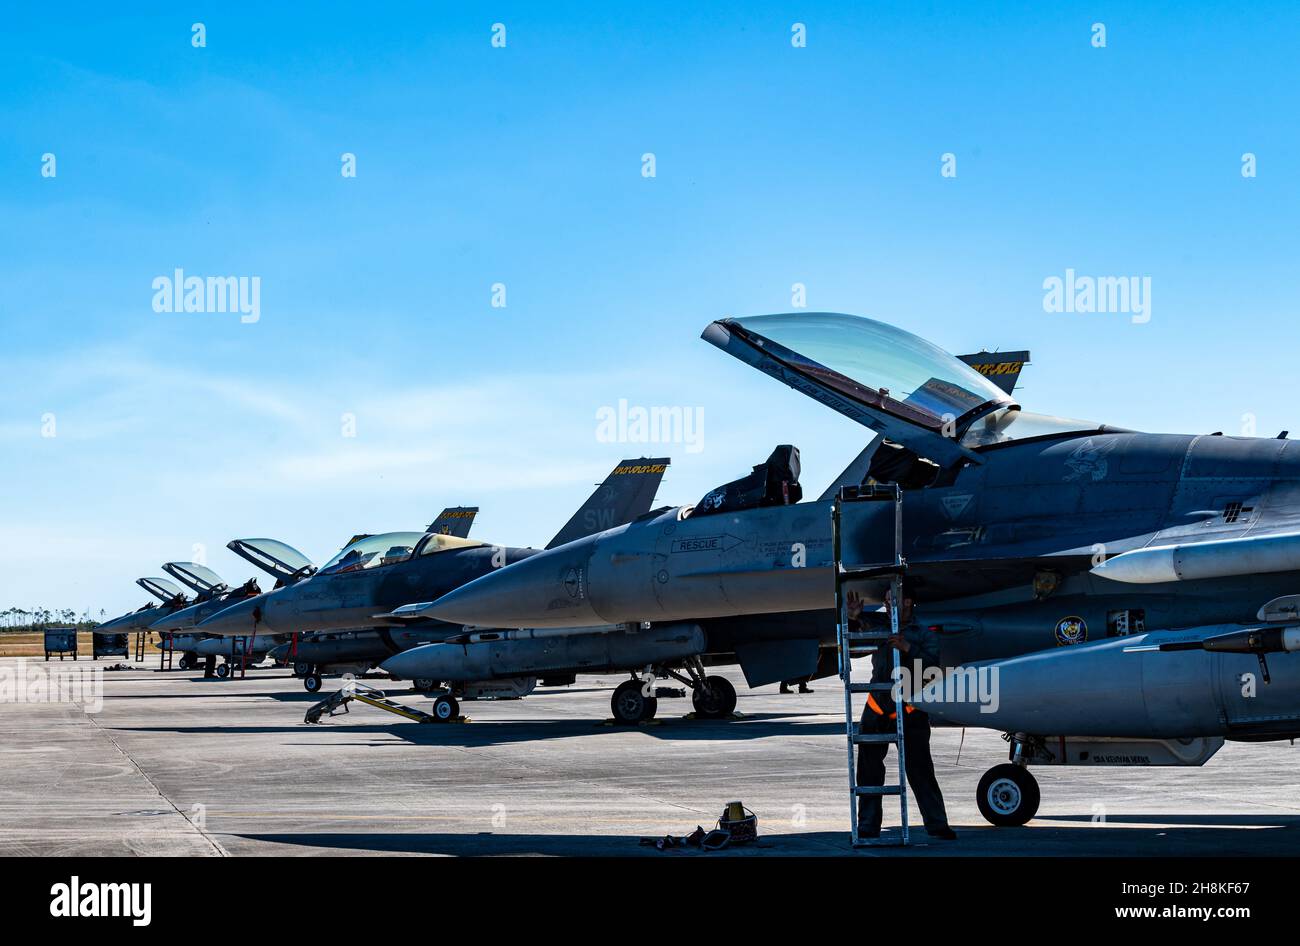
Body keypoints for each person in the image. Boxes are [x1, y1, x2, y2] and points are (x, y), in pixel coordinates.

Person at [847, 585, 956, 841]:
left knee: (920, 769)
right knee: (869, 770)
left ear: (908, 601)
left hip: (910, 707)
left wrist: (908, 648)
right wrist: (854, 620)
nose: (887, 604)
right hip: (877, 706)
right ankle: (868, 826)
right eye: (885, 599)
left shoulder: (924, 633)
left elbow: (932, 671)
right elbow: (855, 643)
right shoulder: (880, 625)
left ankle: (937, 824)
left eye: (892, 599)